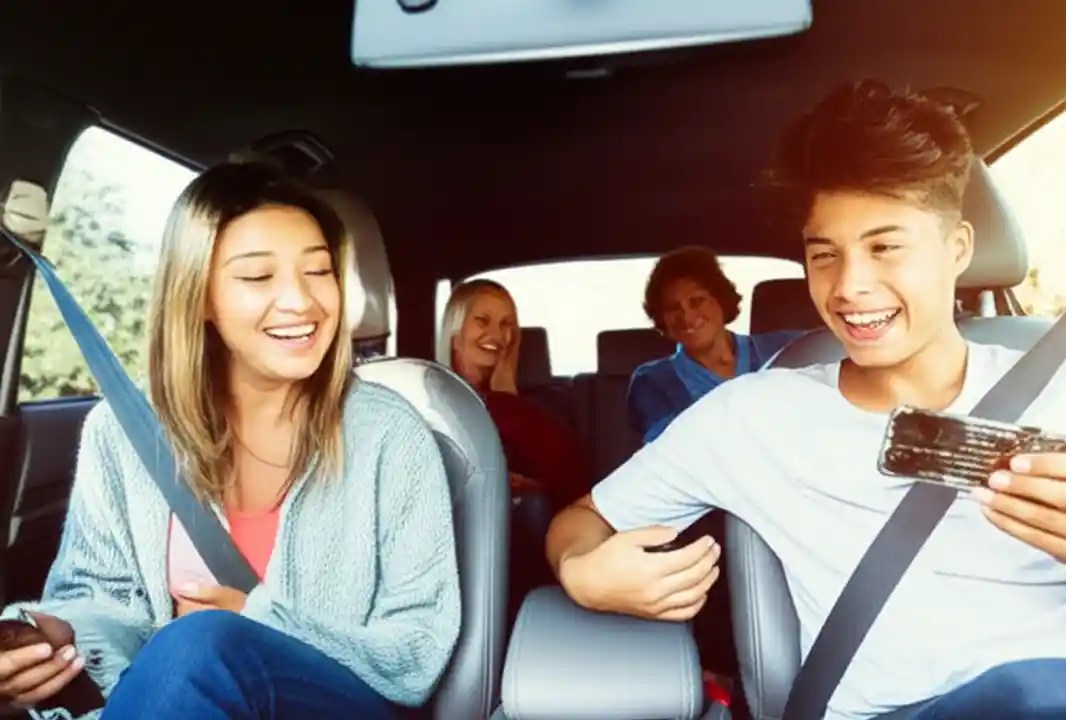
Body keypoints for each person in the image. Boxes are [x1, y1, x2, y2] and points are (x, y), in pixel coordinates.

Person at [545, 79, 1066, 719]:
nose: (850, 286)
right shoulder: (749, 417)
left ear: (957, 249)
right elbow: (581, 520)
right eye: (824, 255)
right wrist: (583, 574)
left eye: (885, 248)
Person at [0, 159, 462, 719]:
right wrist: (46, 636)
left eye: (319, 271)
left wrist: (255, 622)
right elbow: (103, 602)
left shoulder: (391, 435)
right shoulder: (123, 431)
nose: (302, 301)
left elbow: (416, 652)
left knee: (199, 647)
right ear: (199, 297)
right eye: (258, 277)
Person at [438, 278, 592, 508]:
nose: (497, 335)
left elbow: (576, 485)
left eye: (506, 324)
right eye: (482, 321)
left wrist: (505, 400)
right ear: (455, 329)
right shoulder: (430, 399)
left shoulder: (541, 406)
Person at [629, 246, 802, 443]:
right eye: (672, 308)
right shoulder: (653, 381)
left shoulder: (788, 347)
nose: (687, 317)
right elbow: (671, 449)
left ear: (721, 300)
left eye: (697, 301)